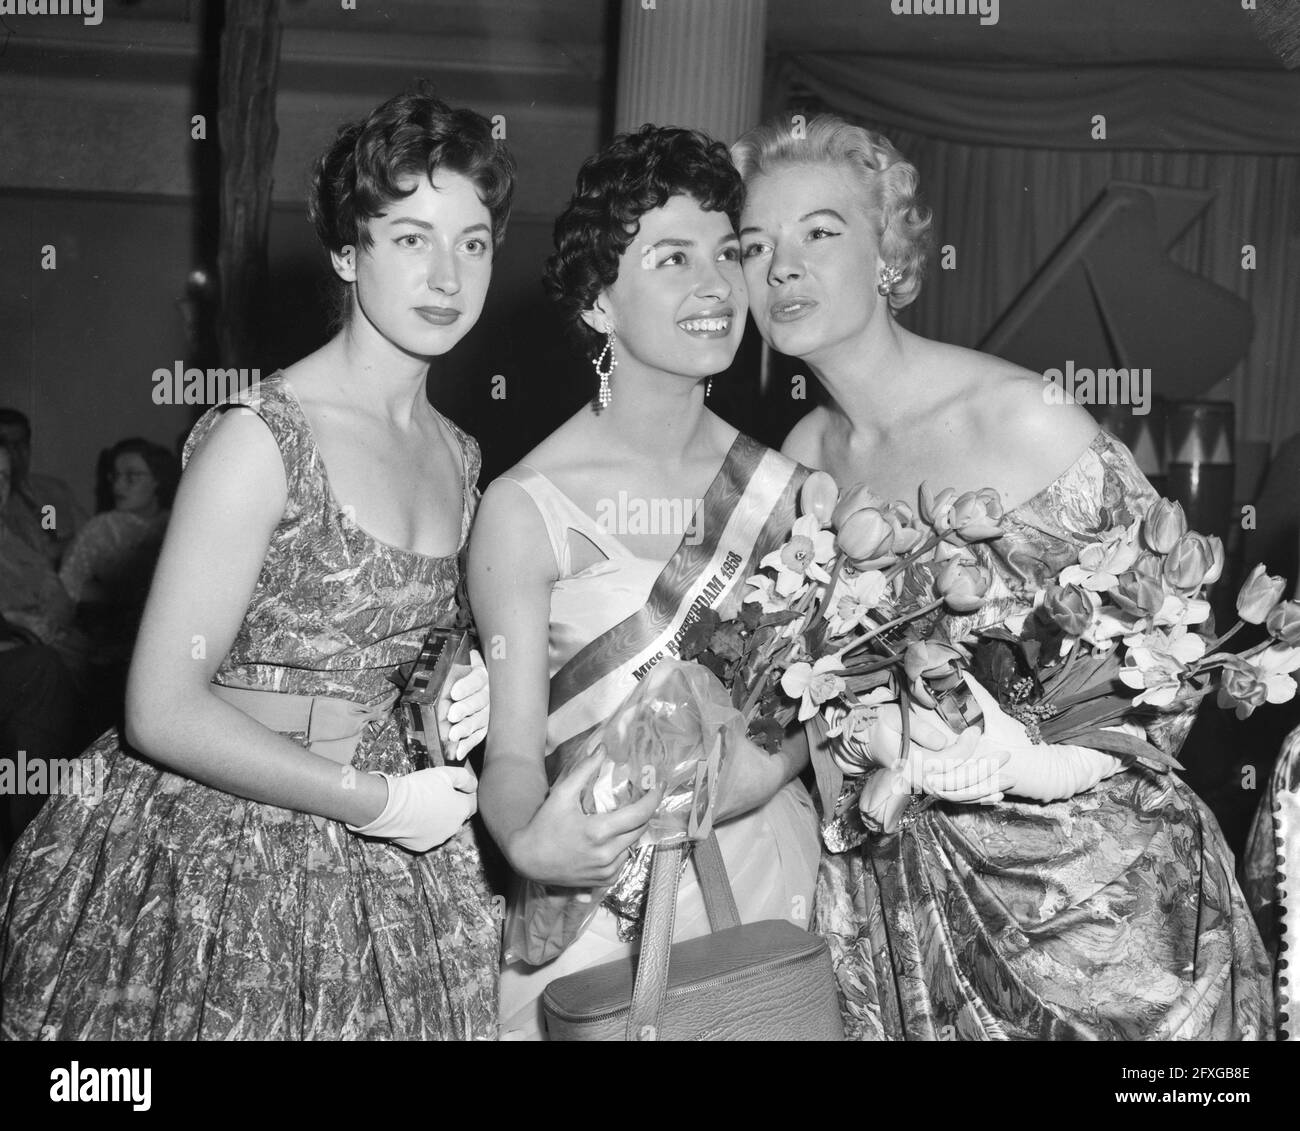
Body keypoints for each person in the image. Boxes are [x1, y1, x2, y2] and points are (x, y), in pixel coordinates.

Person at [731, 112, 1274, 1040]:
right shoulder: (804, 454)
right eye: (754, 245)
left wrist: (1038, 761)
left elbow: (1174, 653)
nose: (781, 267)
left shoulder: (1024, 416)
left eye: (820, 232)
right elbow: (814, 688)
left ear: (888, 256)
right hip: (914, 911)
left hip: (1101, 914)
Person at [0, 87, 511, 1040]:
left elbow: (391, 647)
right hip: (229, 857)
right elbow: (160, 708)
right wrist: (375, 801)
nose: (447, 274)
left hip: (401, 867)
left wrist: (455, 684)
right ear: (347, 251)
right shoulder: (262, 436)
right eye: (411, 237)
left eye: (472, 242)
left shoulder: (462, 454)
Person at [469, 126, 822, 1041]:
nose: (717, 286)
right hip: (597, 903)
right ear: (598, 303)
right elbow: (511, 758)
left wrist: (762, 769)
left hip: (761, 874)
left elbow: (816, 706)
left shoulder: (788, 492)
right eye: (673, 258)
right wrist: (533, 842)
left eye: (728, 254)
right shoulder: (524, 507)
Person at [60, 438, 177, 669]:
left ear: (158, 480)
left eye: (131, 477)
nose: (118, 487)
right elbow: (65, 585)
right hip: (114, 641)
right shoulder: (103, 527)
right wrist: (114, 595)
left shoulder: (176, 523)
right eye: (115, 476)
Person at [0, 408, 85, 566]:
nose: (14, 454)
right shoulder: (3, 500)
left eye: (20, 444)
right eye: (5, 445)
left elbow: (90, 532)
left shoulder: (55, 489)